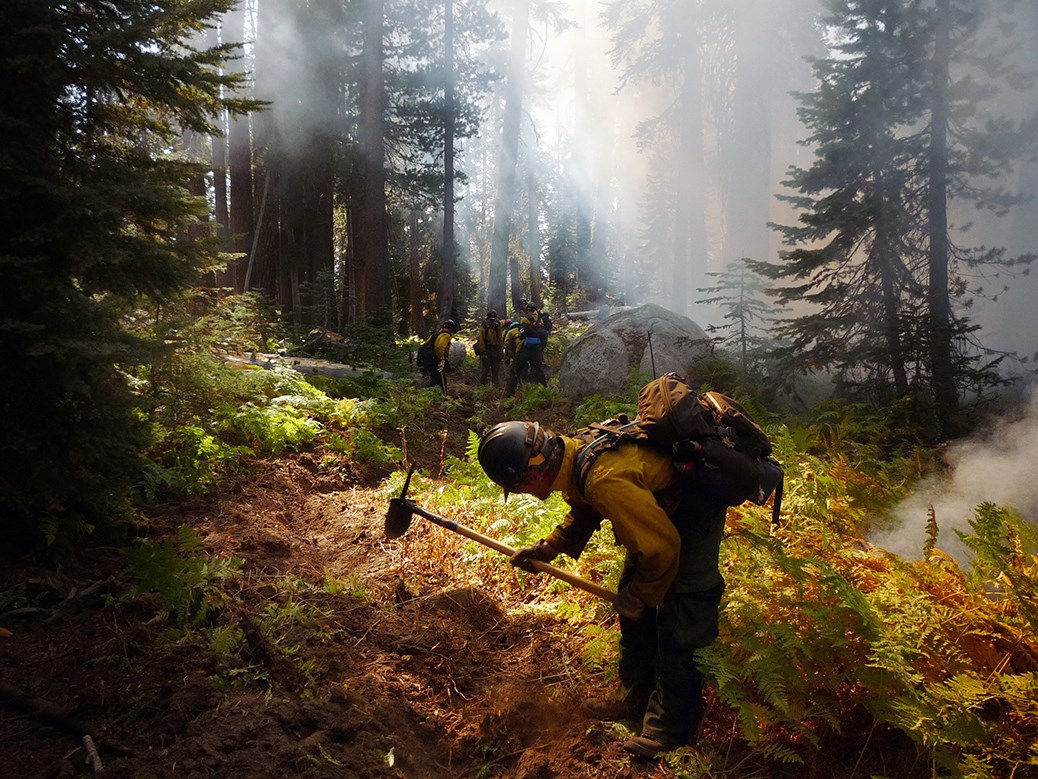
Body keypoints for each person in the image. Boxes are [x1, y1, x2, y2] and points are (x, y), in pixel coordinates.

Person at [476, 420, 728, 758]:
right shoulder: (568, 454)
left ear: (529, 476)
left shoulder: (604, 479)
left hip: (692, 511)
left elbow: (660, 550)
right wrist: (549, 548)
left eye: (516, 488)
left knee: (679, 614)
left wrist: (641, 598)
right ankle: (636, 697)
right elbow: (584, 503)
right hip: (655, 509)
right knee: (633, 597)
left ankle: (669, 730)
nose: (521, 493)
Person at [506, 303, 548, 395]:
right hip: (532, 348)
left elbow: (523, 333)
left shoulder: (528, 320)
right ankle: (546, 390)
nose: (530, 313)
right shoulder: (536, 321)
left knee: (516, 369)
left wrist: (529, 328)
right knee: (537, 369)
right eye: (529, 311)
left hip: (527, 349)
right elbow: (542, 333)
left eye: (530, 311)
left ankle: (510, 394)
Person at [422, 319, 456, 394]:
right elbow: (440, 347)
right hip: (435, 360)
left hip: (429, 359)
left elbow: (425, 343)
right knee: (439, 380)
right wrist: (441, 359)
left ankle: (433, 394)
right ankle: (439, 395)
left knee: (434, 378)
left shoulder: (436, 334)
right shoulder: (446, 335)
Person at [475, 309, 504, 387]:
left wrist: (501, 350)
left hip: (495, 348)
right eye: (490, 320)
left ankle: (496, 385)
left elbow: (500, 339)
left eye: (493, 320)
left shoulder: (497, 326)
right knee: (485, 368)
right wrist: (483, 352)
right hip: (486, 348)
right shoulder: (484, 327)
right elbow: (481, 341)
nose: (492, 322)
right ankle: (481, 385)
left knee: (496, 368)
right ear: (487, 319)